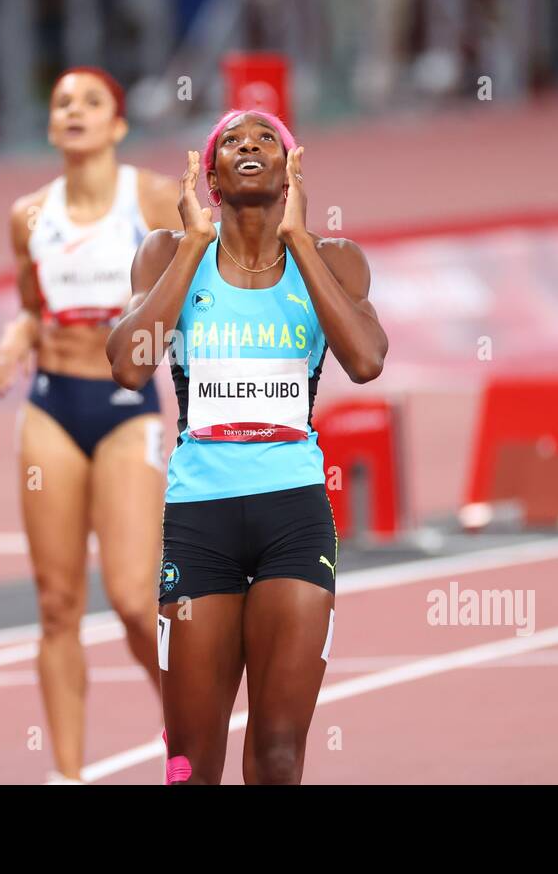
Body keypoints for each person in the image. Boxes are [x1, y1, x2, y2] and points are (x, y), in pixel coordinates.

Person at [106, 110, 389, 784]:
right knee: (189, 762)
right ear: (211, 178)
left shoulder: (338, 259)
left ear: (293, 170)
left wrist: (300, 239)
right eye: (232, 142)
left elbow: (366, 359)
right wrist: (188, 248)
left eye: (267, 139)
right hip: (200, 520)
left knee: (279, 754)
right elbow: (127, 364)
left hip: (293, 517)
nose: (250, 146)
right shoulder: (165, 252)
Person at [0, 66, 180, 784]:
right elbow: (34, 305)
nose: (74, 111)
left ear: (117, 125)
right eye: (61, 102)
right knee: (57, 603)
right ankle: (66, 775)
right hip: (51, 406)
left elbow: (201, 262)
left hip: (127, 408)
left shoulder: (153, 197)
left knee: (134, 599)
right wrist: (18, 336)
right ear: (50, 126)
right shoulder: (29, 215)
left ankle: (184, 725)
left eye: (90, 102)